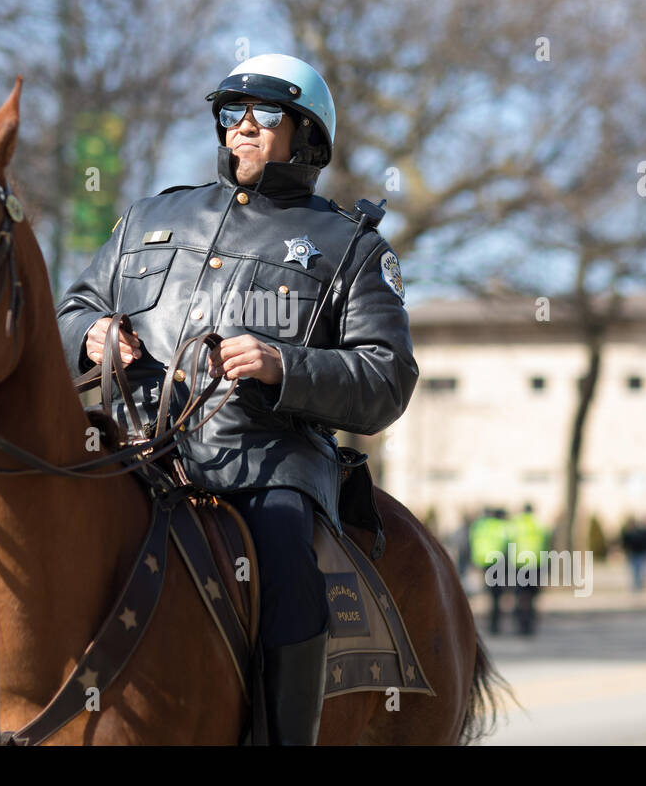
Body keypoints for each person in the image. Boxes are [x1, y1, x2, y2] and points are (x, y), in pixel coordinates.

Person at [55, 54, 418, 744]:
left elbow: (387, 377)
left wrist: (287, 365)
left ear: (305, 133)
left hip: (265, 466)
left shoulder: (353, 248)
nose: (243, 127)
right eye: (231, 113)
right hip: (131, 453)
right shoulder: (149, 216)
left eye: (265, 114)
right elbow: (73, 306)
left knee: (284, 558)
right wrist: (90, 335)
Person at [469, 507, 510, 634]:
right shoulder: (501, 526)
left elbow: (472, 541)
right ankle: (495, 623)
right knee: (496, 595)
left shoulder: (479, 525)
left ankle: (492, 623)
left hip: (483, 561)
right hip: (498, 562)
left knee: (491, 594)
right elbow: (508, 544)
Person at [508, 503, 548, 636]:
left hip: (519, 564)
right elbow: (547, 543)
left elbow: (508, 543)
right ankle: (529, 624)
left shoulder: (515, 524)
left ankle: (521, 623)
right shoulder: (539, 524)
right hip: (536, 563)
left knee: (521, 595)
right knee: (531, 595)